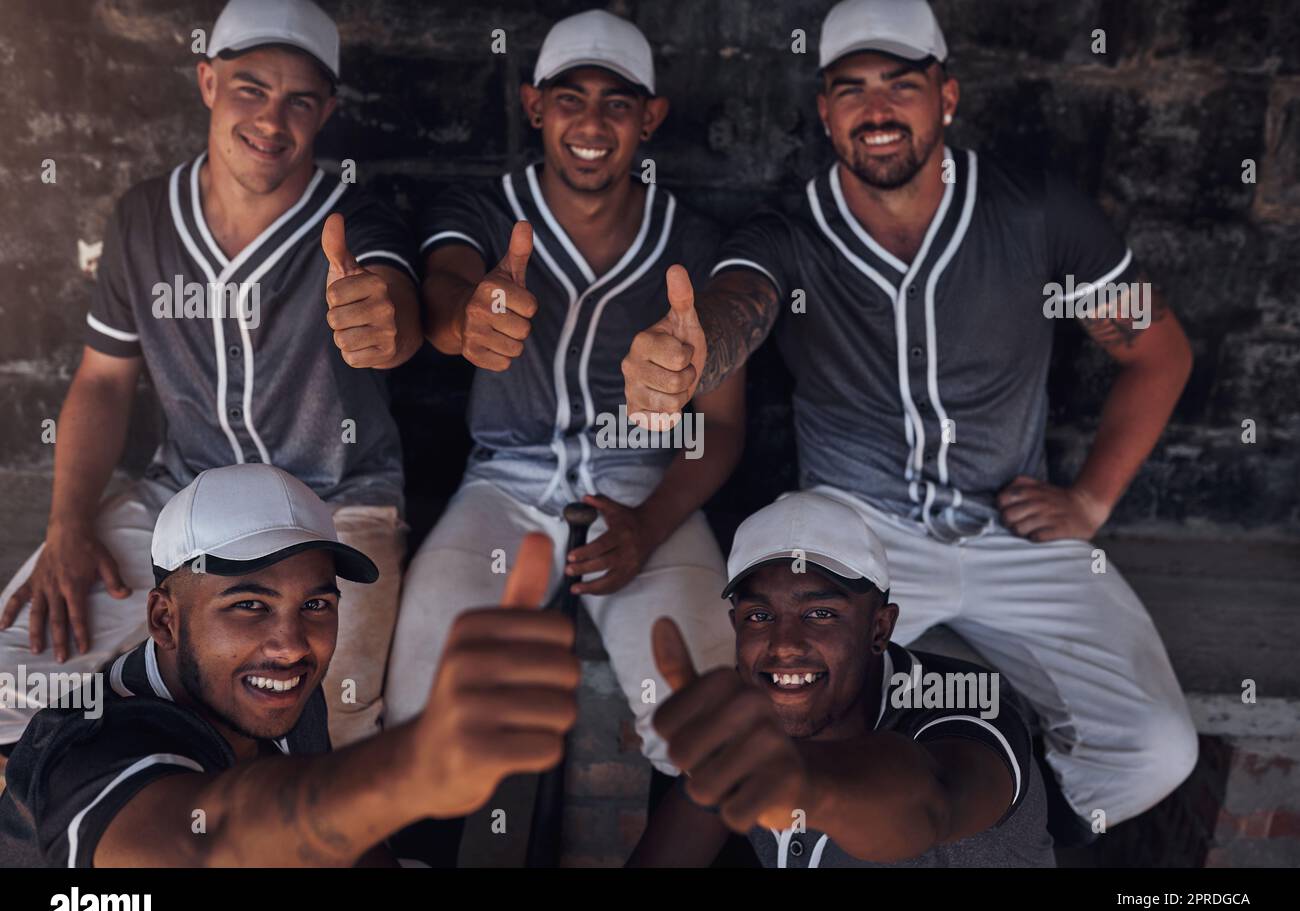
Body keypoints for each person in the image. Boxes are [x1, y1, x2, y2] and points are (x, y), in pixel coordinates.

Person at [620, 0, 1197, 834]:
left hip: (1010, 530)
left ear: (947, 95)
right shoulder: (790, 230)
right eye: (851, 88)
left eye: (901, 83)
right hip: (858, 534)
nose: (877, 109)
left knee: (1157, 746)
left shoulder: (1032, 211)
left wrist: (1092, 503)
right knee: (710, 722)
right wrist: (689, 356)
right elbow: (736, 303)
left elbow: (1160, 348)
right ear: (824, 111)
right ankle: (821, 840)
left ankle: (1014, 843)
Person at [0, 0, 421, 752]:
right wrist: (67, 522)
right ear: (207, 81)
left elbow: (391, 309)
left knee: (335, 722)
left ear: (326, 110)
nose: (272, 119)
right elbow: (102, 381)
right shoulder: (142, 217)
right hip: (184, 492)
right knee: (12, 678)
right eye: (250, 87)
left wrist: (384, 320)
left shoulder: (355, 222)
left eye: (299, 99)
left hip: (339, 503)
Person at [386, 10, 742, 779]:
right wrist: (465, 322)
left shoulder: (694, 244)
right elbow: (447, 287)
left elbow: (722, 426)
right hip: (503, 488)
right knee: (419, 707)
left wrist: (648, 526)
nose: (591, 121)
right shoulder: (483, 210)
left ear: (651, 117)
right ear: (534, 105)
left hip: (644, 488)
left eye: (617, 102)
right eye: (569, 97)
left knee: (708, 722)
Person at [0, 464, 577, 867]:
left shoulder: (275, 692)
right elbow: (202, 844)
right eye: (249, 605)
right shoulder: (87, 740)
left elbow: (341, 846)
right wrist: (411, 768)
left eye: (316, 605)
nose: (292, 644)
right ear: (164, 619)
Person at [629, 491, 1055, 867]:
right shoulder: (745, 720)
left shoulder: (964, 699)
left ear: (879, 629)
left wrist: (801, 779)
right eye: (759, 617)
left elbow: (931, 805)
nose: (784, 645)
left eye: (820, 614)